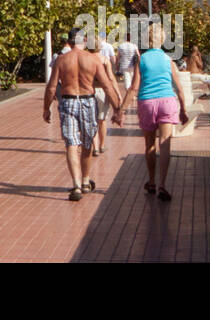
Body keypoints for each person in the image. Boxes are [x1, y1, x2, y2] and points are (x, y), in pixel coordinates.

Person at [43, 28, 124, 201]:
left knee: (71, 144)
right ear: (84, 41)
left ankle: (76, 185)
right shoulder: (92, 60)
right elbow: (107, 85)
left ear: (70, 42)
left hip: (68, 101)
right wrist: (117, 109)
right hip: (87, 101)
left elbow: (51, 87)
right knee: (87, 142)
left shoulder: (61, 60)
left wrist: (46, 108)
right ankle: (86, 180)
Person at [117, 22, 188, 202]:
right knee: (165, 143)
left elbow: (134, 87)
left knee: (149, 145)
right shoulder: (168, 59)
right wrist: (183, 109)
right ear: (162, 40)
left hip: (147, 102)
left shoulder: (142, 59)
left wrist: (121, 110)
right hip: (167, 101)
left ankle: (151, 181)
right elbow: (179, 88)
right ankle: (163, 184)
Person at [88, 35, 115, 156]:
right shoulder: (104, 60)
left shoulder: (85, 59)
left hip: (89, 91)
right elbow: (110, 78)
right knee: (102, 120)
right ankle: (102, 145)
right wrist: (117, 94)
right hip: (103, 91)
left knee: (91, 120)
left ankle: (95, 147)